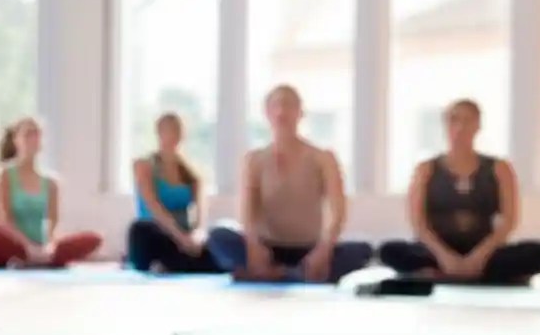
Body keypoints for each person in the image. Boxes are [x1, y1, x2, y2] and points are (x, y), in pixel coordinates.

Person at [379, 100, 540, 284]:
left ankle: (456, 274)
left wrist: (478, 257)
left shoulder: (499, 168)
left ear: (478, 126)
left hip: (483, 250)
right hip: (437, 251)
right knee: (389, 250)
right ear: (445, 125)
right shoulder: (426, 169)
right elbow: (419, 224)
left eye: (468, 120)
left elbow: (508, 221)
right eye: (454, 120)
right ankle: (467, 274)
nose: (460, 127)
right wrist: (445, 257)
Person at [206, 85, 372, 283]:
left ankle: (277, 274)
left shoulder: (323, 158)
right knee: (218, 235)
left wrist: (324, 250)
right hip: (266, 249)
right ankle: (288, 274)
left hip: (309, 250)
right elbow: (247, 211)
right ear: (266, 113)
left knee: (363, 249)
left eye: (289, 105)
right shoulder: (254, 159)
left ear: (300, 113)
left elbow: (339, 212)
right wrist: (253, 246)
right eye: (276, 105)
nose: (282, 111)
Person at [0, 118, 102, 268]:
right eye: (28, 134)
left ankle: (41, 259)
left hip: (41, 246)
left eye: (37, 134)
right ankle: (29, 257)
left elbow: (52, 225)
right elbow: (5, 220)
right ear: (16, 140)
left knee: (94, 238)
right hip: (15, 244)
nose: (33, 139)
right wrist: (28, 247)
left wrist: (48, 246)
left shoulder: (51, 183)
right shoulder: (4, 176)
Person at [127, 113, 220, 273]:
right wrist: (179, 237)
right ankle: (174, 262)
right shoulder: (143, 165)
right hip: (157, 233)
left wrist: (197, 235)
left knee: (219, 243)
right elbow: (154, 207)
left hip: (184, 237)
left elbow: (201, 215)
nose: (173, 135)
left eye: (177, 131)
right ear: (158, 133)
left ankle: (172, 263)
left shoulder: (192, 174)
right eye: (168, 130)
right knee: (139, 230)